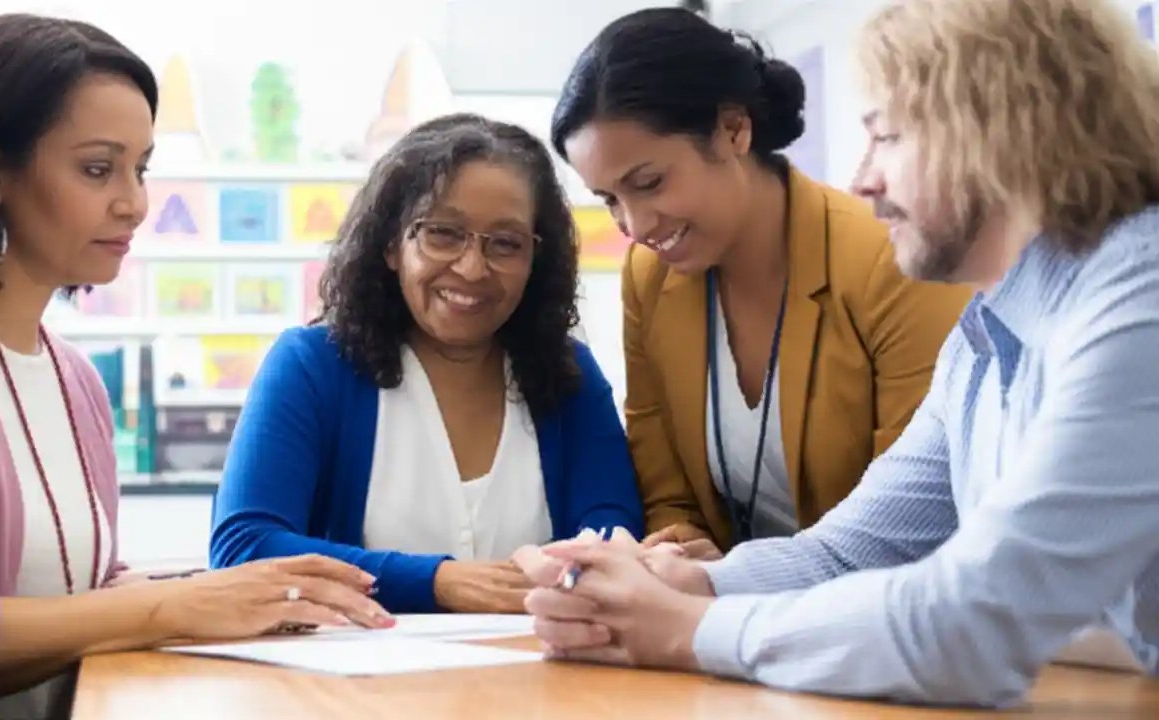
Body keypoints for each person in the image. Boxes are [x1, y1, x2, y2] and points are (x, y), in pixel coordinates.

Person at [516, 0, 1159, 708]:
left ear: (995, 131)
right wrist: (680, 582)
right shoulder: (985, 336)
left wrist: (687, 627)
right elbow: (848, 550)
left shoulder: (1141, 294)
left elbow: (971, 619)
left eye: (886, 136)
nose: (862, 180)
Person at [0, 15, 392, 720]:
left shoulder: (75, 377)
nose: (135, 202)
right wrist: (175, 603)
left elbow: (81, 587)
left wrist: (260, 590)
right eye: (97, 169)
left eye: (141, 168)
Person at [549, 8, 972, 554]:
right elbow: (667, 490)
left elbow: (921, 520)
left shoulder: (887, 263)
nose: (635, 226)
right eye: (610, 200)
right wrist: (680, 550)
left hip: (882, 612)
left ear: (733, 129)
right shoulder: (651, 277)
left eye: (649, 183)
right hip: (730, 619)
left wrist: (732, 581)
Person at [208, 114, 644, 615]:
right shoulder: (312, 366)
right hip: (350, 686)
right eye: (442, 233)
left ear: (535, 262)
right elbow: (245, 547)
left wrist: (604, 562)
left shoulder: (570, 374)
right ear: (392, 244)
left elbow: (613, 532)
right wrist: (438, 582)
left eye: (506, 243)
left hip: (544, 676)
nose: (472, 267)